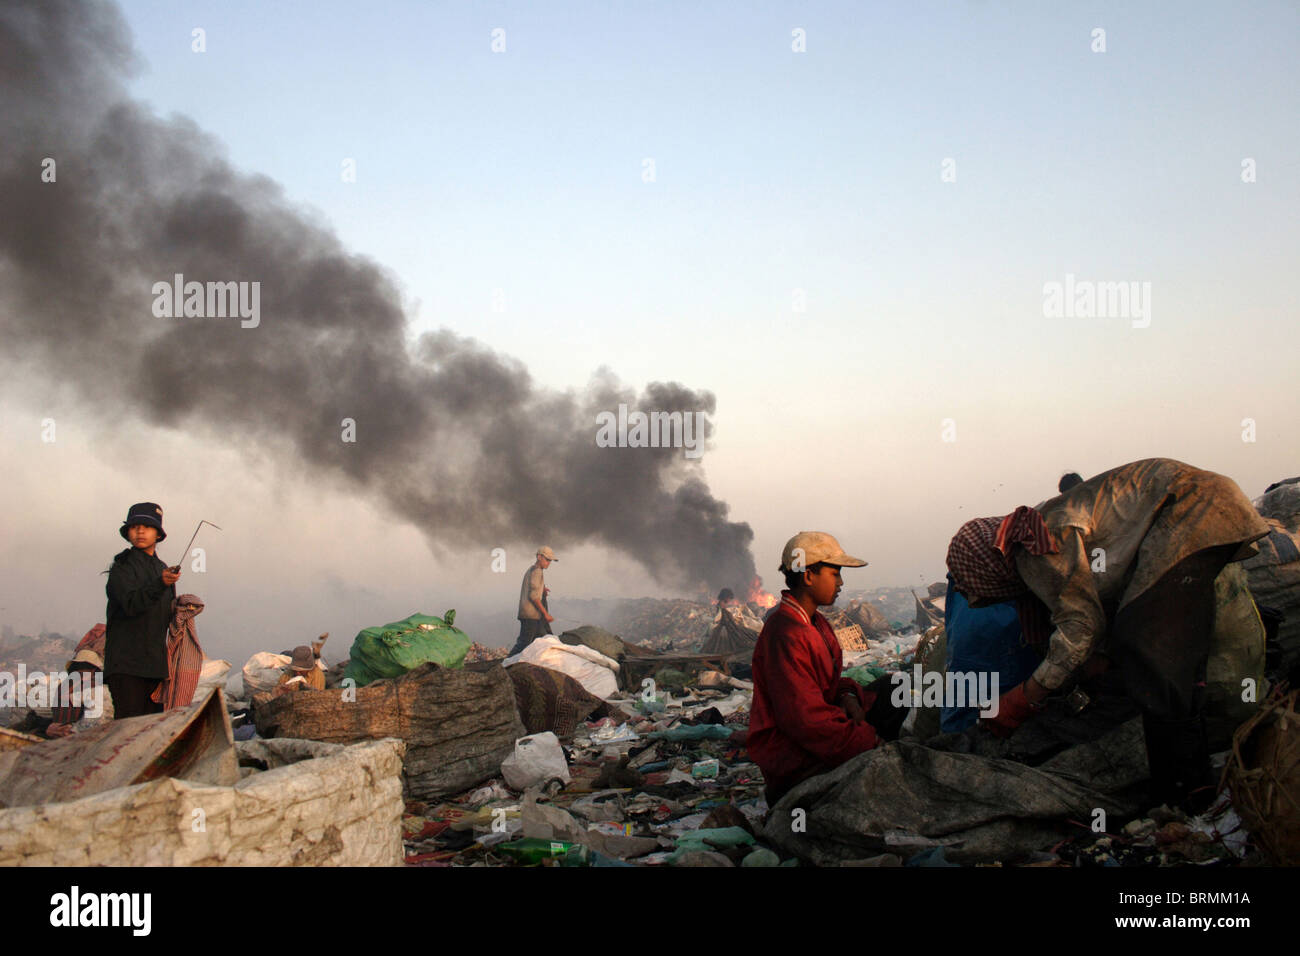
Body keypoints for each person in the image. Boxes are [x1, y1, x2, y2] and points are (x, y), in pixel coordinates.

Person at [945, 458, 1270, 810]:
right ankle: (1182, 785)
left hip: (1194, 509)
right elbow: (1091, 613)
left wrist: (1024, 697)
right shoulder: (1038, 536)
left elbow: (1081, 626)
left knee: (1147, 646)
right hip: (1203, 505)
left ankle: (1189, 789)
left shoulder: (1035, 547)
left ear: (988, 565)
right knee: (1152, 651)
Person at [748, 532, 904, 805]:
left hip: (819, 729)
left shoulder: (815, 623)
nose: (841, 582)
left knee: (893, 689)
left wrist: (848, 695)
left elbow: (826, 684)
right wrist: (870, 744)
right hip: (795, 755)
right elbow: (806, 721)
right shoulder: (786, 633)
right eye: (835, 573)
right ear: (808, 576)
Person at [103, 502, 179, 719]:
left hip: (154, 666)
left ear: (158, 534)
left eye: (147, 526)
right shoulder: (121, 567)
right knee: (127, 730)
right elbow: (131, 604)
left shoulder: (163, 569)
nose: (140, 531)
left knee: (150, 731)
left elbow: (166, 615)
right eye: (135, 526)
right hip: (126, 666)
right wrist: (160, 584)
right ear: (128, 533)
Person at [510, 546, 557, 656]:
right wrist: (546, 614)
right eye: (547, 559)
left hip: (531, 616)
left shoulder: (533, 569)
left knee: (540, 640)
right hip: (530, 615)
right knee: (524, 643)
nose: (548, 563)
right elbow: (534, 596)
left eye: (550, 561)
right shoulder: (537, 572)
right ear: (539, 557)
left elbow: (534, 588)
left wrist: (543, 590)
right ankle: (505, 664)